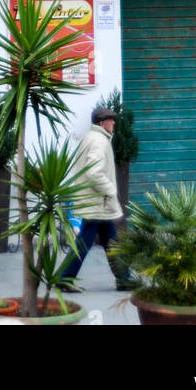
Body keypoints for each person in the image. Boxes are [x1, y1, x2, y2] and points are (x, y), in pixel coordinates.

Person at [61, 106, 136, 290]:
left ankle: (124, 278)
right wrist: (110, 189)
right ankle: (65, 279)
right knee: (84, 242)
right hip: (97, 201)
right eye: (111, 120)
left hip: (95, 201)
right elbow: (94, 172)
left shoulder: (92, 137)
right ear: (102, 123)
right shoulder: (99, 141)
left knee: (111, 240)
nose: (114, 123)